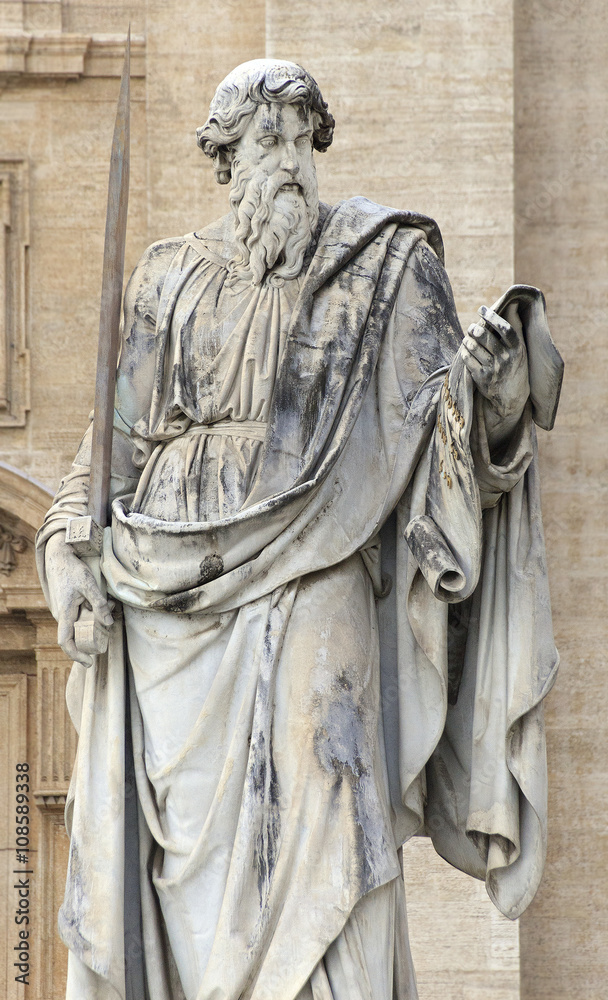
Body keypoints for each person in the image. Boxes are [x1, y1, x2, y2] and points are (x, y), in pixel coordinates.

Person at [37, 58, 563, 1000]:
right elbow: (103, 453)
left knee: (333, 773)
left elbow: (442, 436)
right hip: (173, 597)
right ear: (226, 161)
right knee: (185, 860)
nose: (286, 162)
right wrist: (66, 554)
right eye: (263, 140)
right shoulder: (168, 279)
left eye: (298, 140)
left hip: (323, 563)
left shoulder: (382, 272)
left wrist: (489, 388)